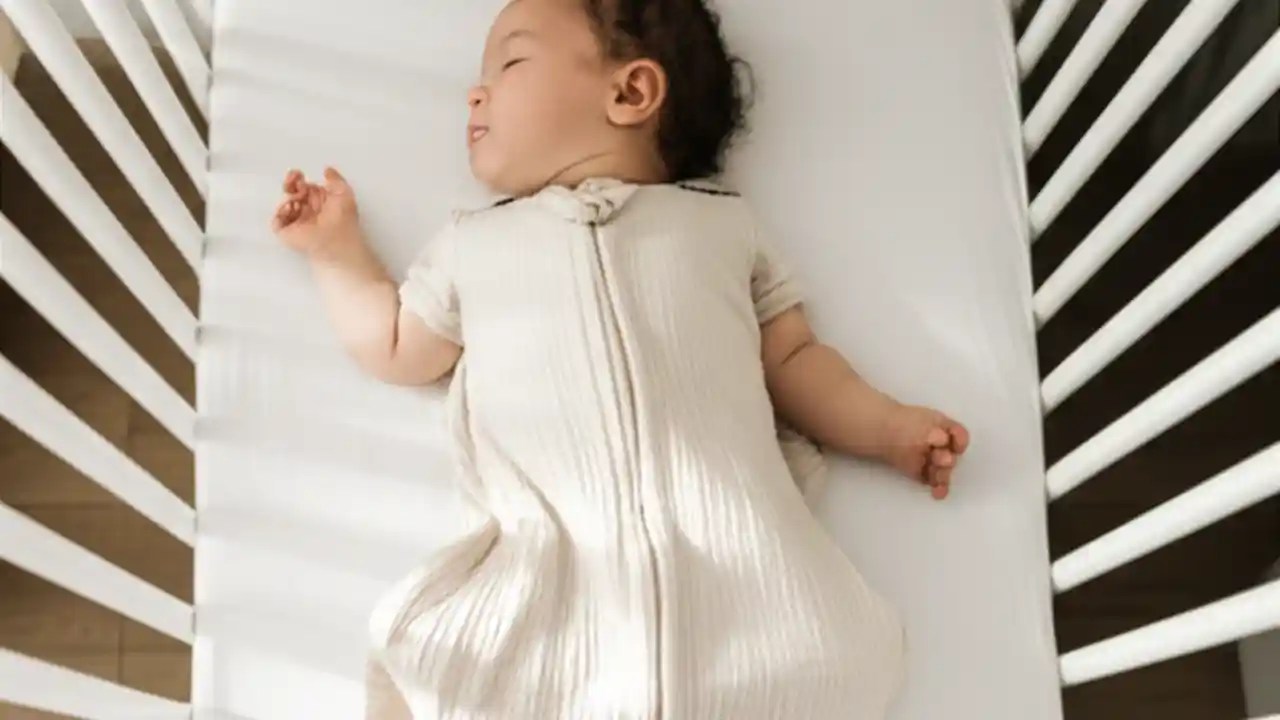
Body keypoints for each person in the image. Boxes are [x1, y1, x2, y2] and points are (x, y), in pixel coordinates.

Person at [272, 0, 969, 717]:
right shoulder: (473, 246)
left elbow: (794, 359)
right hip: (550, 563)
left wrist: (887, 428)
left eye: (509, 62)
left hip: (745, 561)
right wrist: (337, 255)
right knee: (449, 659)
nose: (474, 93)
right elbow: (395, 344)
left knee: (816, 659)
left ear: (630, 93)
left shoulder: (721, 226)